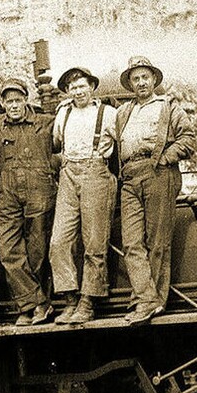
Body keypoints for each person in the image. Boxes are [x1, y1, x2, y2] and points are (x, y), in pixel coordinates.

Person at [115, 55, 197, 322]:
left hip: (158, 174)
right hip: (129, 178)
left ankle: (153, 302)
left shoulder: (168, 106)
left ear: (153, 80)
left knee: (158, 241)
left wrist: (164, 158)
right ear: (129, 83)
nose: (140, 82)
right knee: (131, 242)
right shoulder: (122, 112)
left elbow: (188, 138)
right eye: (135, 78)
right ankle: (146, 297)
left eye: (144, 77)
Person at [0, 77, 56, 325]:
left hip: (40, 191)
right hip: (8, 194)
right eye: (9, 102)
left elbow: (63, 141)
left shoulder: (45, 122)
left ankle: (30, 308)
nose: (14, 105)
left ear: (26, 100)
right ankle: (37, 303)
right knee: (7, 250)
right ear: (2, 103)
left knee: (37, 251)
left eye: (18, 100)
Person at [48, 66, 117, 324]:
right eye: (73, 87)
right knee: (58, 242)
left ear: (92, 87)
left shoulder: (108, 114)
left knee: (94, 242)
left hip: (96, 173)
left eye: (82, 85)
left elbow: (123, 142)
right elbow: (55, 144)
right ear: (67, 91)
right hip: (68, 175)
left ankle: (88, 300)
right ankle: (69, 299)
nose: (78, 91)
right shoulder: (63, 114)